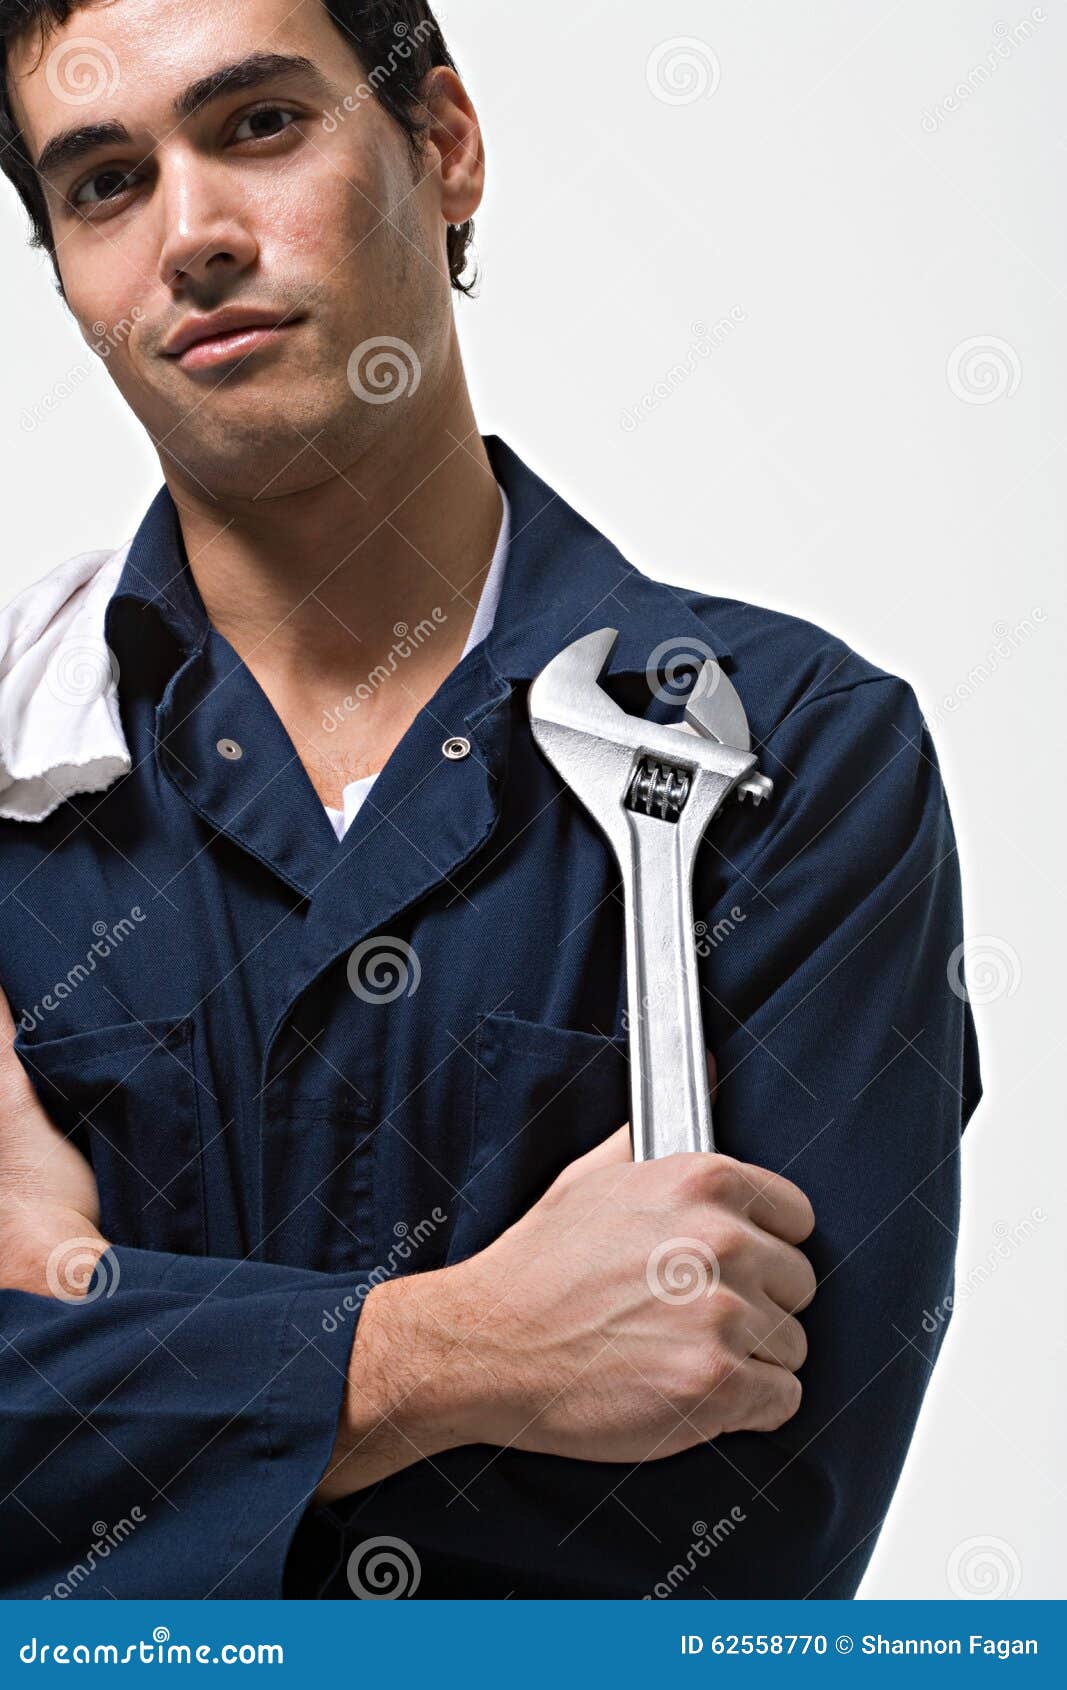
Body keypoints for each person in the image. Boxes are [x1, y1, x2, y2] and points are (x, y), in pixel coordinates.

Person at [0, 0, 981, 1600]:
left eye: (261, 125)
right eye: (105, 183)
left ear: (443, 146)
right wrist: (452, 1350)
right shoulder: (15, 766)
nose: (192, 236)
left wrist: (109, 1370)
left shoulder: (796, 758)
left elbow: (753, 1516)